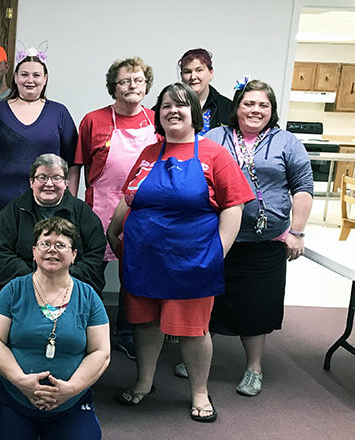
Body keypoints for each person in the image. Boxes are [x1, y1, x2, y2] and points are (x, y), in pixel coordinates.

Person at [106, 83, 254, 422]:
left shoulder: (214, 154)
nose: (173, 111)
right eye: (166, 106)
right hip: (144, 259)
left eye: (181, 105)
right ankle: (143, 383)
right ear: (158, 114)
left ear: (195, 114)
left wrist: (219, 250)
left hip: (193, 260)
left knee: (193, 329)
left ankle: (200, 393)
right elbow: (131, 197)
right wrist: (114, 231)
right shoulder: (149, 153)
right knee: (144, 324)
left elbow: (234, 204)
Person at [195, 79, 313, 396]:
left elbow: (303, 188)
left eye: (263, 104)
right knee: (210, 300)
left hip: (265, 242)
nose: (255, 110)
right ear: (237, 107)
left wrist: (297, 231)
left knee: (257, 306)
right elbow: (197, 177)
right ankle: (198, 360)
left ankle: (253, 368)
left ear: (272, 110)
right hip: (219, 236)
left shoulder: (287, 142)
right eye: (249, 103)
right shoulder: (215, 137)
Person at [0, 217, 110, 439]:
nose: (52, 250)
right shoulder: (13, 290)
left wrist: (70, 389)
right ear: (33, 251)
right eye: (45, 243)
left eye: (60, 245)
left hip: (70, 403)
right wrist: (21, 381)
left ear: (73, 255)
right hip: (13, 398)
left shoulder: (88, 296)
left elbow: (101, 352)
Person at [0, 47, 78, 312]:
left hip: (48, 205)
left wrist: (71, 201)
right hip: (2, 205)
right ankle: (0, 316)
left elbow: (72, 162)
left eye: (36, 75)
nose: (30, 80)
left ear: (45, 79)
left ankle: (45, 314)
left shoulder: (59, 113)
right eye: (24, 74)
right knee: (5, 263)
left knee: (46, 257)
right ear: (16, 78)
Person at [73, 56, 157, 360]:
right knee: (88, 273)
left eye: (137, 80)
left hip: (142, 210)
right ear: (114, 87)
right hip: (100, 206)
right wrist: (70, 207)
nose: (131, 85)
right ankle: (84, 331)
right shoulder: (93, 120)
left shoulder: (156, 120)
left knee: (132, 275)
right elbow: (76, 166)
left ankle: (125, 333)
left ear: (146, 85)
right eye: (124, 80)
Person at [0, 154, 106, 297]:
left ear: (66, 182)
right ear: (31, 182)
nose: (49, 184)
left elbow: (94, 257)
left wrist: (62, 279)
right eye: (42, 177)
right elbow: (2, 255)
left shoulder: (84, 214)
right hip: (22, 286)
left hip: (72, 285)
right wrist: (36, 279)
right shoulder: (11, 213)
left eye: (56, 177)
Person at [178, 48, 232, 134]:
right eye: (187, 72)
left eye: (199, 70)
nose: (193, 77)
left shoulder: (229, 108)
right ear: (181, 76)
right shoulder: (166, 108)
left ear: (211, 73)